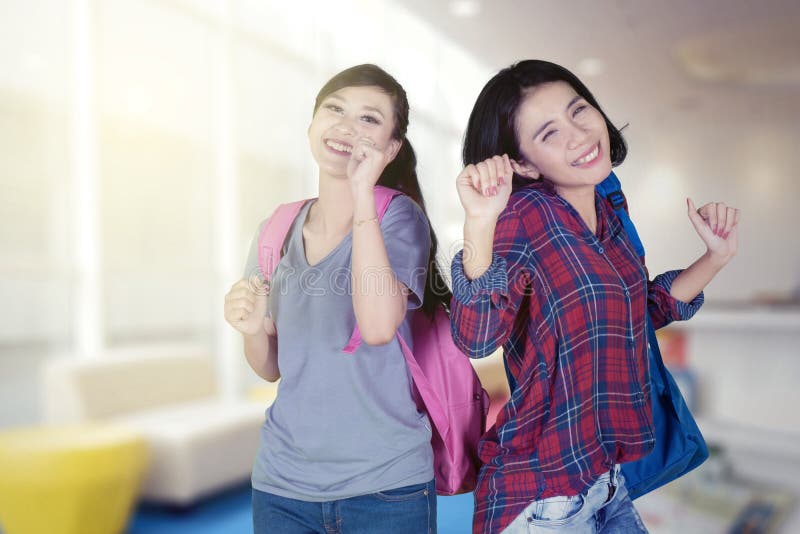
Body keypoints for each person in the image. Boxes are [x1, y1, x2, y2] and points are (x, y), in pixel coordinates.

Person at [449, 59, 740, 533]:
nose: (579, 134)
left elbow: (640, 310)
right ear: (522, 162)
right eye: (549, 133)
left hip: (606, 484)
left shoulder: (608, 204)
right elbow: (476, 337)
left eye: (578, 110)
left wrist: (716, 256)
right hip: (541, 498)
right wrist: (479, 223)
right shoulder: (522, 216)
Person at [224, 64, 449, 534]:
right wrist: (251, 333)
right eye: (334, 108)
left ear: (391, 148)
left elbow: (377, 327)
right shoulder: (276, 228)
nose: (347, 125)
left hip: (386, 487)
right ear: (312, 126)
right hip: (283, 484)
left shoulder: (397, 218)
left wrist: (362, 193)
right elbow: (273, 366)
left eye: (369, 119)